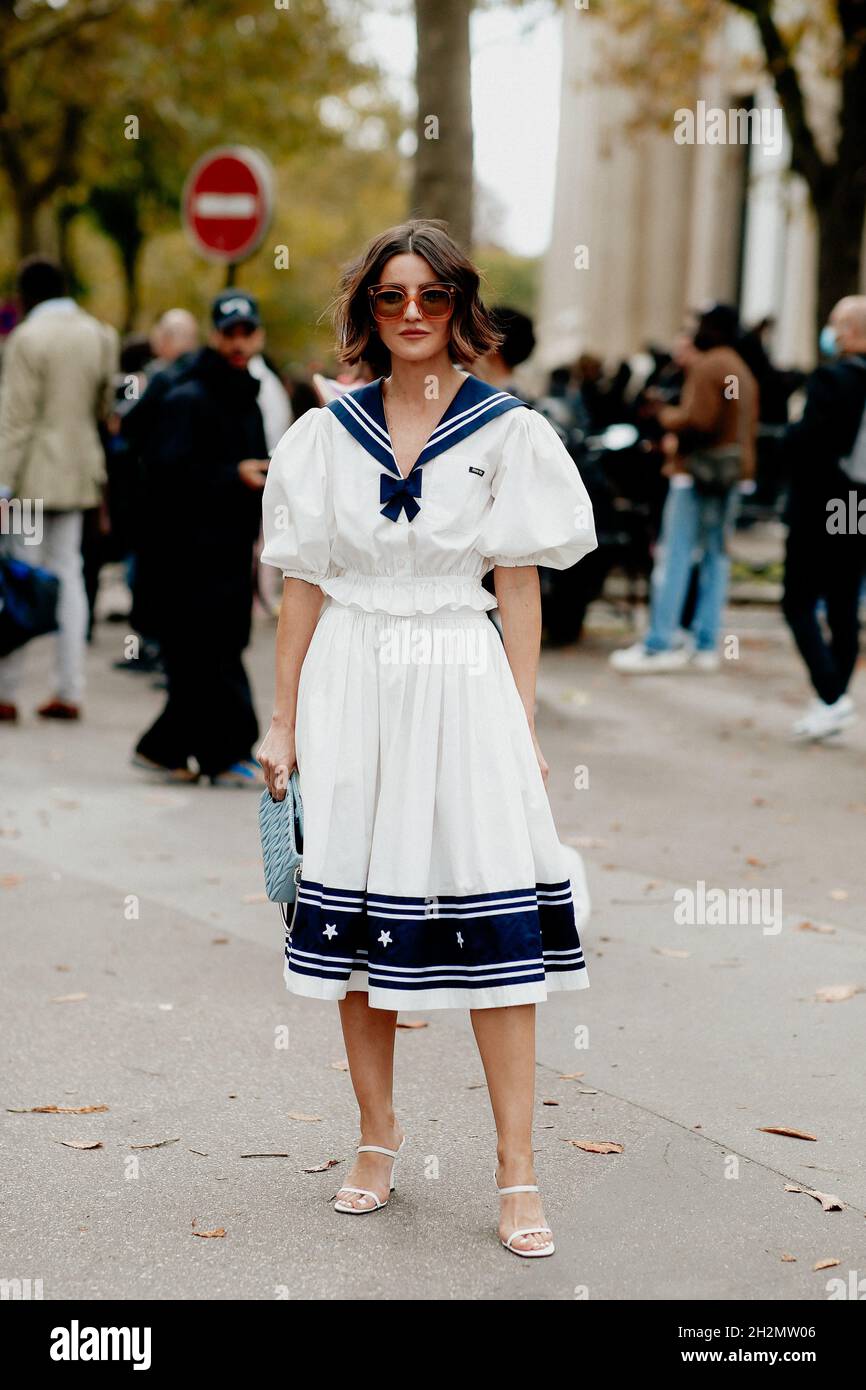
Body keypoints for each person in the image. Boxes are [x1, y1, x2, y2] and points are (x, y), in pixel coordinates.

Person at [256, 219, 598, 1258]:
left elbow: (518, 589)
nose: (410, 312)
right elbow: (302, 587)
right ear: (367, 309)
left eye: (432, 295)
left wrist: (521, 724)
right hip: (350, 681)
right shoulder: (323, 433)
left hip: (460, 680)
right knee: (357, 919)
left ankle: (515, 1168)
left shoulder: (508, 431)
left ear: (462, 307)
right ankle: (374, 1139)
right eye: (390, 295)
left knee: (500, 932)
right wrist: (281, 719)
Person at [131, 290, 270, 785]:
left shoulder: (243, 393)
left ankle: (166, 748)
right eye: (228, 332)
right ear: (214, 334)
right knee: (209, 653)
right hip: (187, 555)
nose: (237, 342)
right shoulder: (189, 397)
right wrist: (233, 475)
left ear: (257, 335)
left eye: (245, 332)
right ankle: (226, 752)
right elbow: (165, 478)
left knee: (212, 651)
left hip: (229, 548)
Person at [0, 256, 118, 722]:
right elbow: (105, 405)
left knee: (19, 576)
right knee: (69, 574)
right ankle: (69, 689)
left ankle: (7, 690)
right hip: (78, 473)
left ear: (27, 295)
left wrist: (2, 486)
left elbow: (15, 419)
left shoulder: (26, 338)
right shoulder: (99, 335)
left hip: (30, 481)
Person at [610, 304, 758, 673]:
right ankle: (705, 643)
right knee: (715, 558)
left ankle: (659, 641)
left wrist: (665, 415)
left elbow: (699, 420)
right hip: (731, 474)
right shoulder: (740, 367)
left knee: (673, 556)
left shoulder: (709, 365)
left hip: (696, 472)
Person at [781, 295, 866, 741]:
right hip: (857, 507)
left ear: (850, 331)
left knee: (797, 602)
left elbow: (807, 443)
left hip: (818, 507)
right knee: (843, 605)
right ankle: (833, 699)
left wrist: (789, 435)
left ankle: (832, 698)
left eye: (836, 323)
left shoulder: (831, 379)